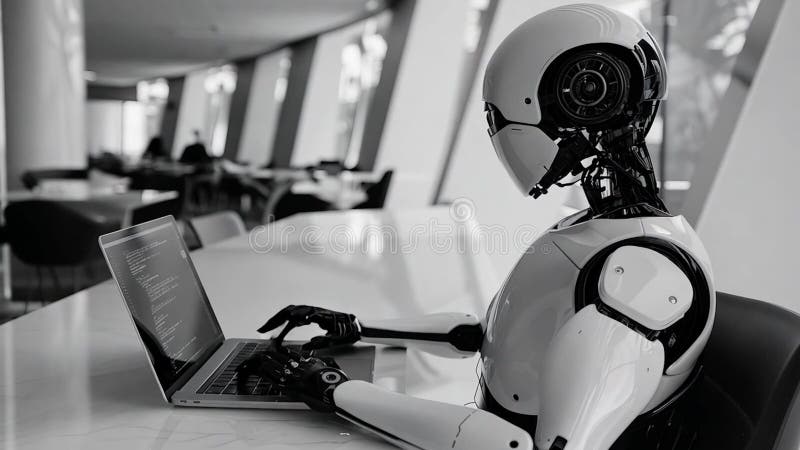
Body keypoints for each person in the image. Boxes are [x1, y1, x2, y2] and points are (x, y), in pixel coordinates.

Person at [236, 5, 715, 450]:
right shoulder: (612, 234)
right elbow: (491, 337)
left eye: (496, 118)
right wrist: (359, 327)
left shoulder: (642, 272)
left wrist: (335, 391)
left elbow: (526, 447)